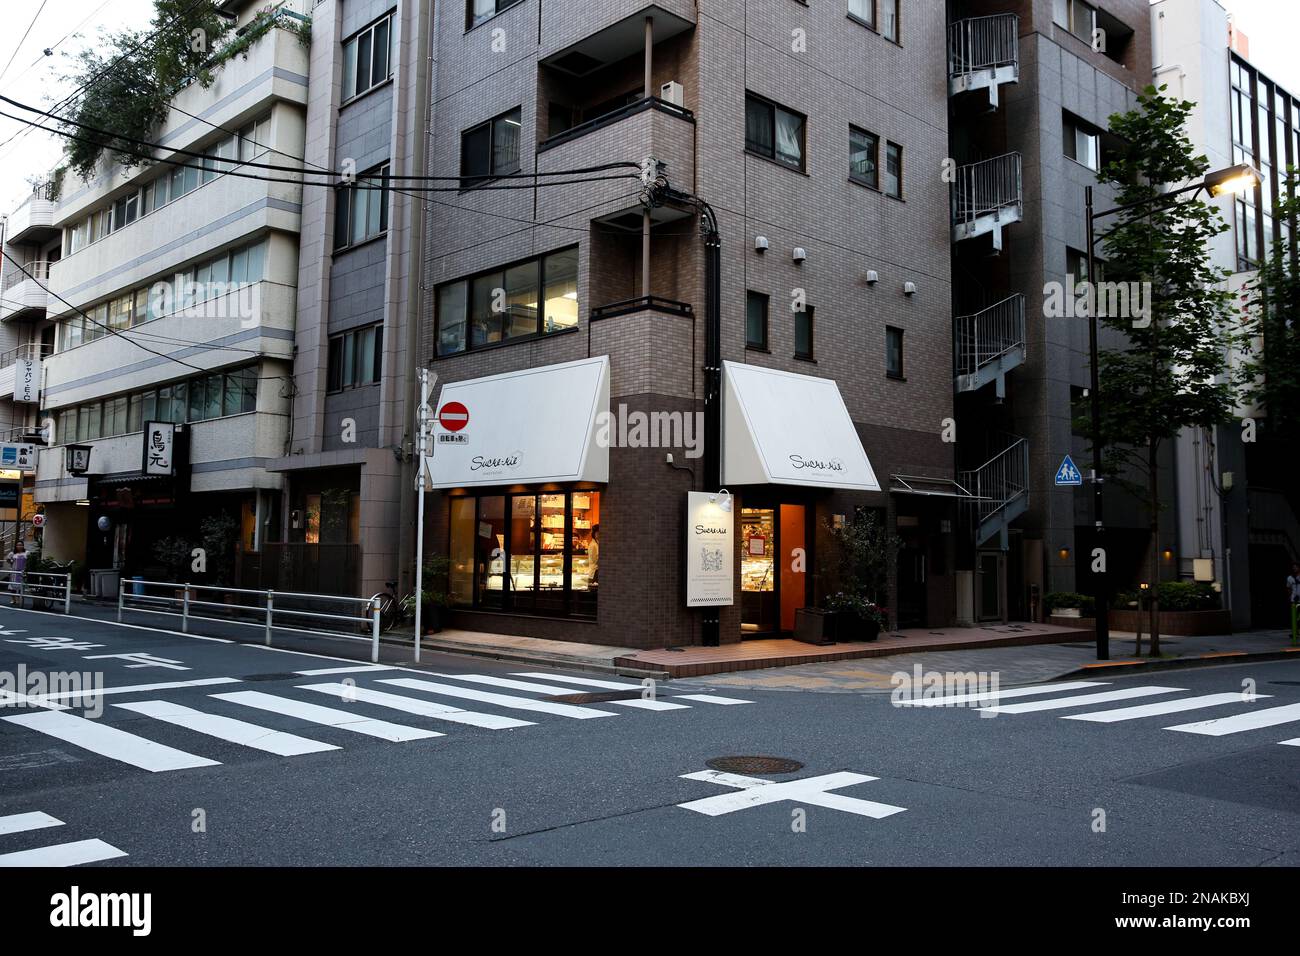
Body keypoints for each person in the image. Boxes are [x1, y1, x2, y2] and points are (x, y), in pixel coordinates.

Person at [7, 540, 27, 606]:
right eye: (18, 545)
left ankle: (19, 599)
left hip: (22, 572)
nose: (19, 546)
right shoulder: (12, 553)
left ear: (23, 546)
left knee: (20, 587)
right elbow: (8, 560)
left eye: (21, 545)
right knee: (12, 586)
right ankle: (13, 599)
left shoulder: (26, 553)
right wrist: (11, 562)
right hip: (14, 572)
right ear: (16, 546)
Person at [1288, 562, 1300, 646]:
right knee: (1294, 617)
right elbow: (1288, 588)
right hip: (1294, 600)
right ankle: (1295, 632)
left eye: (1296, 567)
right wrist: (1290, 597)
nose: (1294, 569)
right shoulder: (1290, 578)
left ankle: (1297, 631)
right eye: (1293, 567)